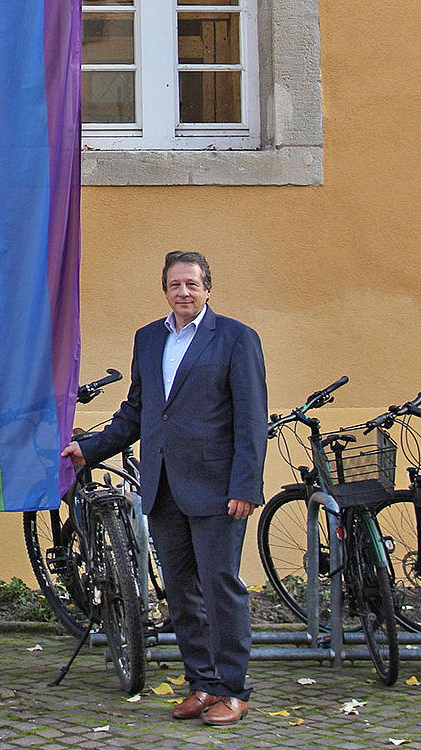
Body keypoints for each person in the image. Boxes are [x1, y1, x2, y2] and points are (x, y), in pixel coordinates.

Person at [62, 251, 266, 726]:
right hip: (163, 487)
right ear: (165, 290)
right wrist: (89, 449)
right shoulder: (149, 339)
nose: (184, 293)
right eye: (175, 285)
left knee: (221, 588)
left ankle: (233, 690)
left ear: (208, 289)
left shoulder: (236, 338)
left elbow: (252, 420)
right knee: (180, 592)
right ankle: (202, 683)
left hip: (218, 489)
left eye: (192, 284)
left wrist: (246, 485)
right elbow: (138, 411)